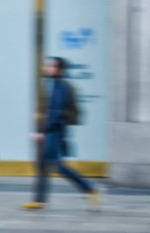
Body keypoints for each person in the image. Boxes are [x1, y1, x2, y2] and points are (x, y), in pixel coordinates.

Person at [24, 56, 99, 210]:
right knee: (44, 165)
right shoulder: (51, 85)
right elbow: (47, 111)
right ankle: (39, 200)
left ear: (59, 69)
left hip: (55, 133)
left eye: (51, 66)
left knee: (57, 166)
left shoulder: (64, 87)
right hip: (49, 132)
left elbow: (72, 114)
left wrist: (47, 128)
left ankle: (90, 188)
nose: (47, 68)